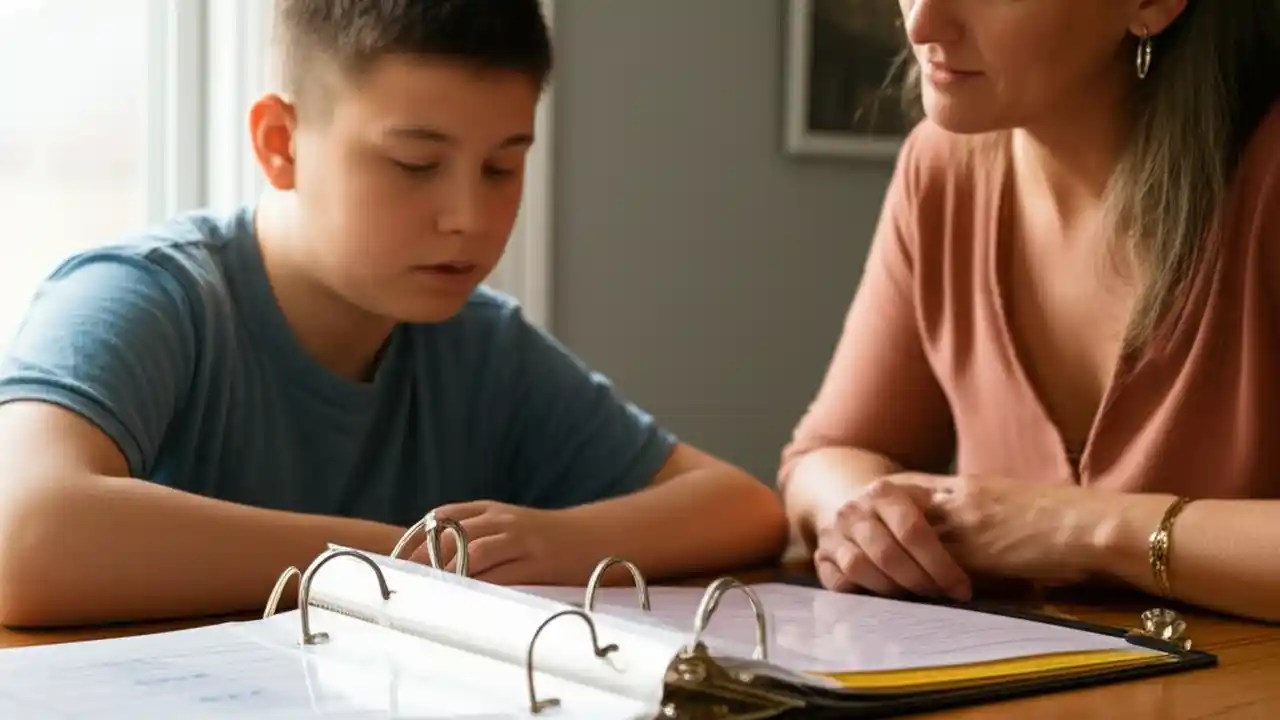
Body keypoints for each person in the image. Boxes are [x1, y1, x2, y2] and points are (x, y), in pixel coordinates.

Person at [0, 0, 787, 628]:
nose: (468, 219)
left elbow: (742, 507)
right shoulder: (145, 297)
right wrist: (401, 559)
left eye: (502, 166)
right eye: (414, 165)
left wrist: (554, 541)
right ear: (281, 143)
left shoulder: (482, 344)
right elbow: (21, 538)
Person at [780, 0, 1280, 622]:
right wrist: (864, 519)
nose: (920, 24)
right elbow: (827, 456)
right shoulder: (940, 170)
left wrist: (1075, 529)